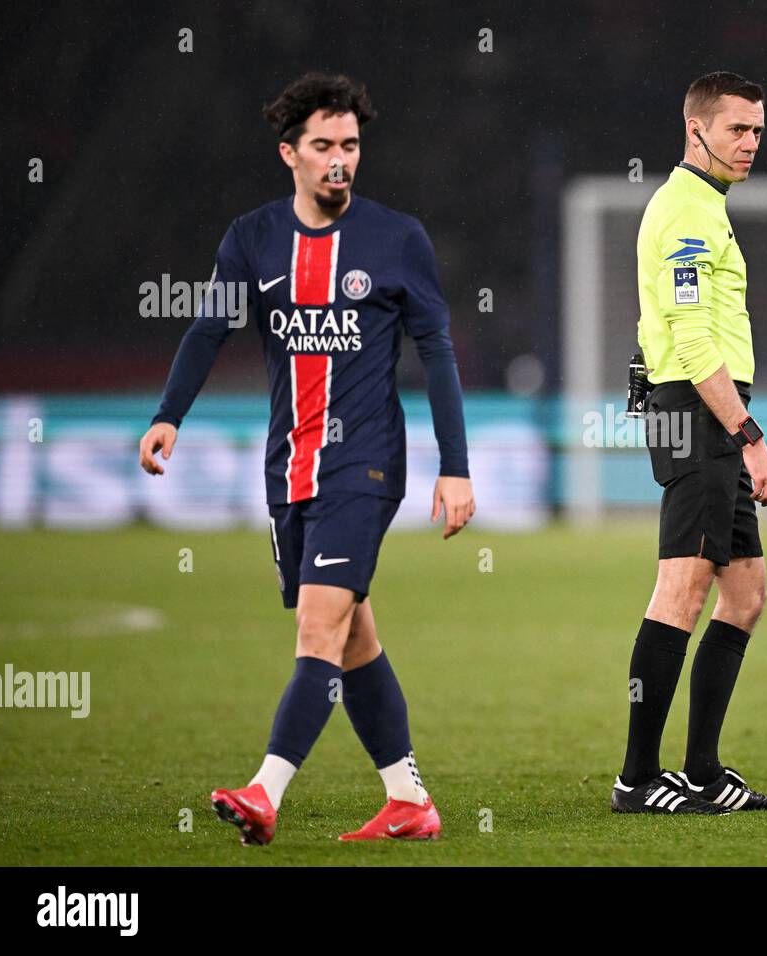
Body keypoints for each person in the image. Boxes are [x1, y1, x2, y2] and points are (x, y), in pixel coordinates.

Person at [138, 72, 475, 843]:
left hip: (366, 466)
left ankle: (265, 790)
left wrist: (454, 465)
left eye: (350, 145)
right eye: (322, 145)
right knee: (354, 635)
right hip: (290, 467)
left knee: (319, 629)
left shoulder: (398, 239)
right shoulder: (252, 238)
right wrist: (169, 416)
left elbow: (438, 353)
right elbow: (206, 333)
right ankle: (408, 800)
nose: (339, 160)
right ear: (289, 152)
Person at [611, 72, 767, 815]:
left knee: (743, 595)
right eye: (737, 129)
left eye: (757, 130)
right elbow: (689, 332)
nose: (750, 143)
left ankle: (705, 772)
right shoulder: (686, 211)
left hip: (702, 407)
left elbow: (669, 320)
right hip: (703, 415)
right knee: (682, 590)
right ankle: (638, 778)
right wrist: (748, 437)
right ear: (697, 130)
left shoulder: (702, 208)